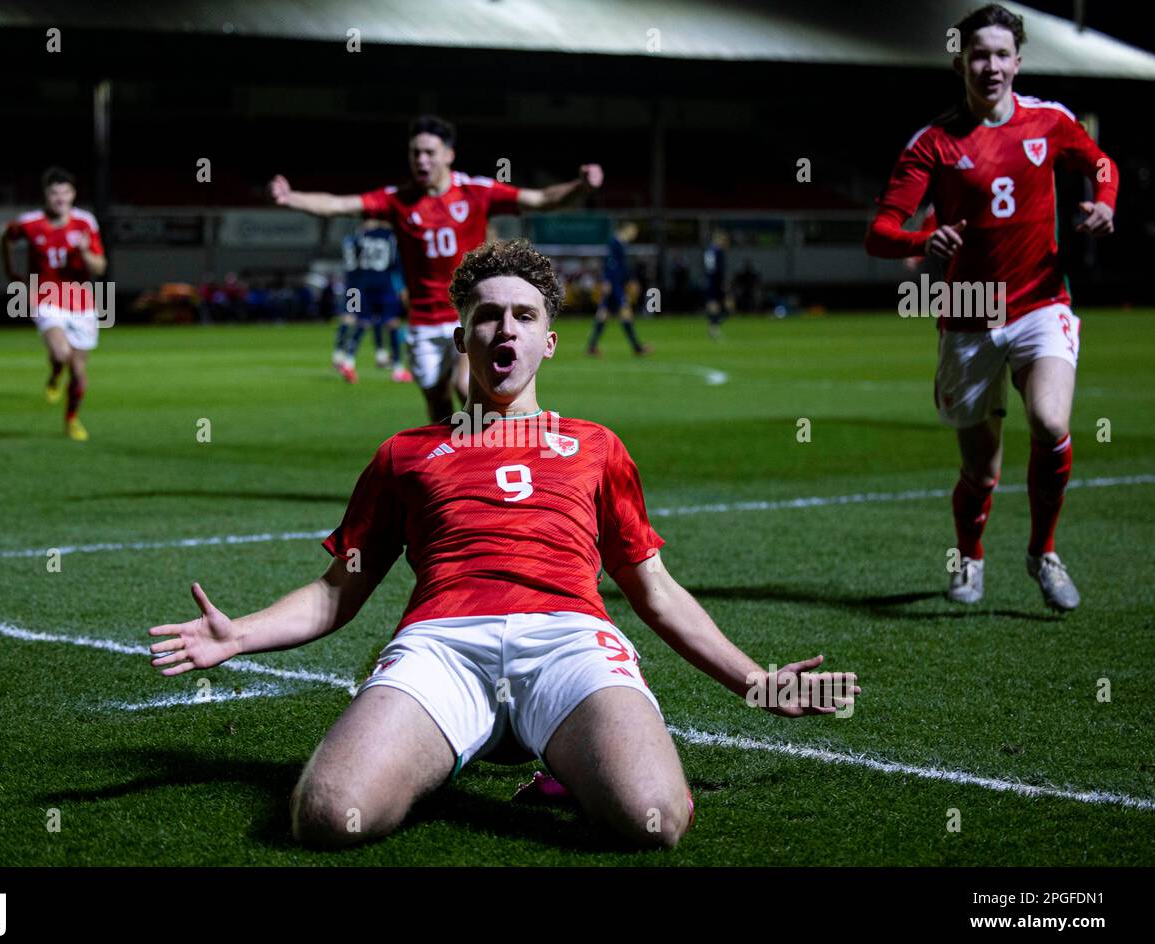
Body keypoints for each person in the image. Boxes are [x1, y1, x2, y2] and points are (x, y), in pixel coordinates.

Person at [147, 238, 859, 848]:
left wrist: (756, 681)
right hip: (444, 645)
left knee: (652, 822)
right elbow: (338, 592)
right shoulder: (406, 452)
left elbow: (657, 592)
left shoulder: (596, 446)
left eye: (524, 316)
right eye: (487, 316)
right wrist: (238, 635)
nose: (505, 332)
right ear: (462, 338)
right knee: (331, 816)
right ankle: (456, 742)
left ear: (549, 339)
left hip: (570, 642)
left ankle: (559, 757)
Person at [865, 3, 1117, 611]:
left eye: (1003, 54)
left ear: (1018, 62)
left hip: (1040, 302)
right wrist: (924, 240)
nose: (992, 65)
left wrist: (1105, 202)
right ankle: (970, 559)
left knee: (1052, 424)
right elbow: (879, 232)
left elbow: (1100, 164)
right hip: (969, 315)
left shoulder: (1050, 122)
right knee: (981, 468)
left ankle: (1043, 553)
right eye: (980, 54)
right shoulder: (933, 143)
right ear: (961, 62)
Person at [270, 114, 603, 422]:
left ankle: (496, 461)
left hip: (468, 312)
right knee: (438, 403)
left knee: (466, 386)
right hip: (423, 322)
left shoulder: (476, 191)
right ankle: (449, 468)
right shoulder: (397, 200)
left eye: (429, 152)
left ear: (448, 155)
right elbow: (340, 205)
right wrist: (291, 198)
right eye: (415, 153)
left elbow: (541, 199)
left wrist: (581, 187)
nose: (421, 160)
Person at [1, 167, 108, 441]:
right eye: (53, 193)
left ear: (73, 194)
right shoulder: (30, 222)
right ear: (45, 196)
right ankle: (56, 368)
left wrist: (84, 252)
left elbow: (100, 266)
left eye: (64, 192)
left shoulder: (85, 222)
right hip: (46, 297)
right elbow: (6, 237)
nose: (59, 198)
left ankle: (71, 418)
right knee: (62, 352)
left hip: (82, 302)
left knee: (78, 371)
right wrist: (10, 271)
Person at [335, 219, 410, 383]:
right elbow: (395, 262)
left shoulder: (359, 236)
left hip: (358, 285)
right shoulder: (390, 236)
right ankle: (396, 367)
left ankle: (348, 359)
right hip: (382, 284)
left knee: (359, 320)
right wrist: (402, 287)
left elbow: (352, 261)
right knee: (391, 322)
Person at [586, 221, 650, 356]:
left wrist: (628, 280)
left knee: (604, 314)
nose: (635, 234)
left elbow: (620, 266)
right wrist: (608, 281)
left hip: (616, 284)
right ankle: (637, 348)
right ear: (627, 228)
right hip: (614, 285)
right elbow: (612, 264)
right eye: (633, 230)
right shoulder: (616, 243)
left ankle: (592, 347)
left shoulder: (619, 243)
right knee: (624, 312)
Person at [703, 229, 731, 340]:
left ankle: (713, 327)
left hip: (710, 280)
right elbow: (717, 269)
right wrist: (723, 282)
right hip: (715, 281)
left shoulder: (710, 250)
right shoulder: (717, 251)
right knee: (719, 304)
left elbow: (709, 268)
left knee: (713, 304)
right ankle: (714, 327)